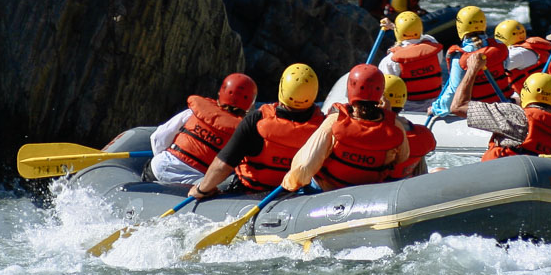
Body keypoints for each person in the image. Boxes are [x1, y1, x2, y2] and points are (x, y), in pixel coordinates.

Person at [189, 63, 325, 198]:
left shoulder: (256, 120)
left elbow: (222, 166)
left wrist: (202, 190)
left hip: (249, 193)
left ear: (282, 88)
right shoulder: (323, 126)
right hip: (294, 196)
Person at [283, 64, 408, 192]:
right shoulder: (395, 126)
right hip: (370, 195)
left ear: (350, 89)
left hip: (328, 193)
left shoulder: (335, 121)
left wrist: (288, 185)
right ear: (381, 91)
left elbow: (304, 166)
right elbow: (403, 158)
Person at [448, 54, 551, 161]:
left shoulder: (512, 113)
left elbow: (458, 106)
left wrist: (472, 68)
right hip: (539, 184)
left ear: (525, 93)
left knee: (439, 170)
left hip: (501, 180)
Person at [146, 73, 258, 183]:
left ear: (221, 93)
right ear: (250, 103)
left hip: (161, 167)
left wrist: (166, 158)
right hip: (193, 182)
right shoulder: (242, 131)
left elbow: (157, 138)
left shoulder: (194, 112)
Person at [430, 5, 512, 116]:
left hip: (479, 112)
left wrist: (436, 109)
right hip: (505, 106)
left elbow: (454, 91)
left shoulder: (460, 56)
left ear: (460, 27)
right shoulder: (500, 47)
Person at [377, 10, 446, 110]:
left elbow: (386, 89)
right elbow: (423, 38)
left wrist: (395, 28)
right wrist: (394, 27)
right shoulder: (435, 48)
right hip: (434, 104)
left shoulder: (390, 61)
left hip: (407, 108)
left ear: (398, 32)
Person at [383, 74, 436, 179]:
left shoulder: (377, 134)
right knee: (437, 170)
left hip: (381, 186)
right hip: (408, 183)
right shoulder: (422, 134)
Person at [494, 19, 551, 97]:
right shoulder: (529, 47)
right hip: (540, 91)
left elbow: (494, 68)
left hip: (528, 95)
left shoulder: (517, 54)